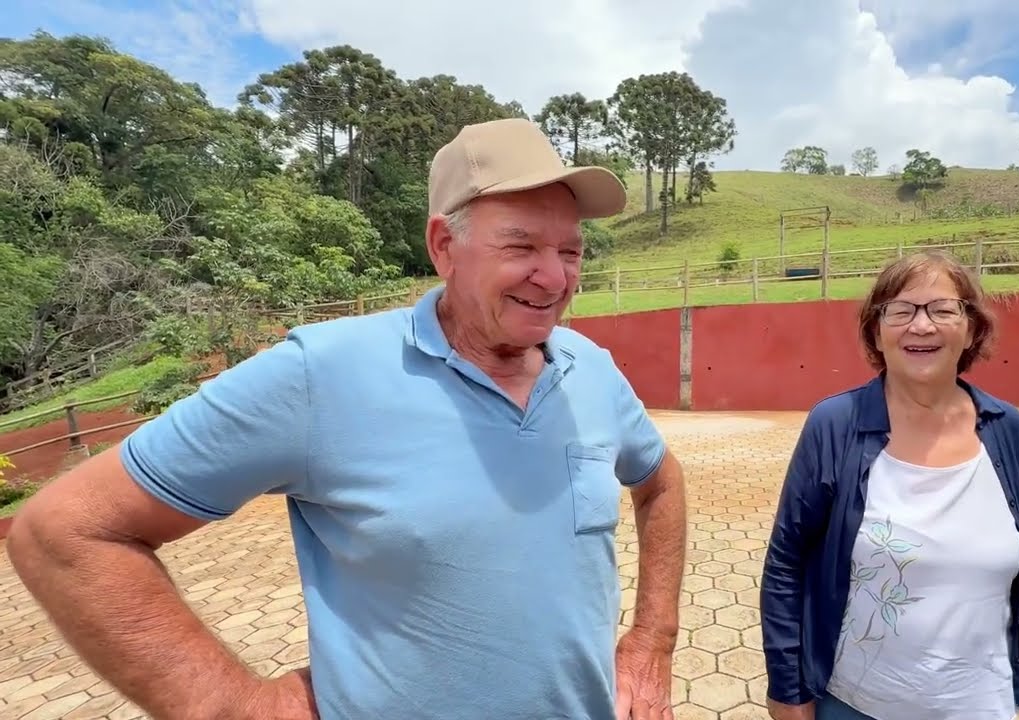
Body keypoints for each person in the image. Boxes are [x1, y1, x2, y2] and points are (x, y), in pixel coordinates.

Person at [6, 117, 688, 720]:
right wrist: (231, 706)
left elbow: (661, 482)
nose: (555, 276)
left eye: (570, 250)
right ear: (443, 247)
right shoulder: (321, 374)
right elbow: (65, 531)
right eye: (521, 246)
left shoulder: (589, 366)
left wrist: (652, 641)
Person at [759, 251, 1019, 720]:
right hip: (853, 702)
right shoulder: (835, 426)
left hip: (980, 703)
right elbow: (786, 561)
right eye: (900, 311)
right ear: (876, 332)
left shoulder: (1010, 431)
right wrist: (787, 689)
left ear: (971, 328)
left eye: (943, 310)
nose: (921, 326)